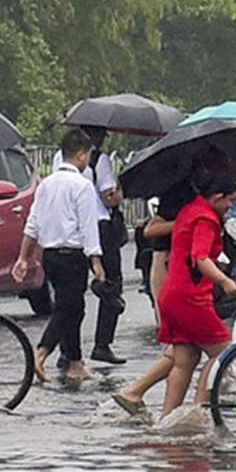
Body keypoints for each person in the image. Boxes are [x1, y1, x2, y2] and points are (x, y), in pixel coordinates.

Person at [13, 128, 104, 383]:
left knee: (74, 308)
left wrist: (23, 257)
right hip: (72, 255)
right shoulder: (83, 186)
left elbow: (32, 224)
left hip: (50, 255)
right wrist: (96, 260)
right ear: (82, 154)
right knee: (68, 309)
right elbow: (88, 226)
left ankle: (75, 362)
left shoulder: (46, 185)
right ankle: (40, 354)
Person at [154, 173, 236, 418]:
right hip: (191, 297)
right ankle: (199, 411)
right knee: (223, 352)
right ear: (216, 197)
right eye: (229, 201)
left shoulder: (189, 210)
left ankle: (168, 418)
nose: (230, 206)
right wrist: (225, 281)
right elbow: (200, 257)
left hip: (172, 293)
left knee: (186, 359)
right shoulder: (206, 218)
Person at [54, 125, 127, 365]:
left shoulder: (58, 158)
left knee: (70, 294)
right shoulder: (100, 159)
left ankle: (67, 350)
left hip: (71, 230)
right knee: (111, 284)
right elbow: (109, 197)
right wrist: (120, 190)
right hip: (100, 227)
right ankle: (102, 344)